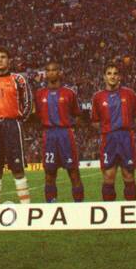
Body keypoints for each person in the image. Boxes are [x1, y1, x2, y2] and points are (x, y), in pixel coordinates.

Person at [0, 47, 32, 204]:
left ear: (9, 60)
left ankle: (27, 208)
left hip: (13, 126)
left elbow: (28, 103)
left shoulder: (19, 80)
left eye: (3, 57)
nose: (1, 60)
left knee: (17, 169)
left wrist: (17, 119)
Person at [91, 63, 136, 201]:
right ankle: (110, 213)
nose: (112, 76)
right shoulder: (98, 97)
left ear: (119, 77)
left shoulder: (129, 94)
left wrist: (129, 126)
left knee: (128, 175)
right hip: (108, 139)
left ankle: (132, 210)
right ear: (104, 77)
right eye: (109, 73)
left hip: (126, 138)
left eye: (115, 73)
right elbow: (95, 121)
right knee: (108, 176)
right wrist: (107, 130)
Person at [35, 59, 84, 202]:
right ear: (45, 74)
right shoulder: (39, 94)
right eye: (48, 70)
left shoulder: (69, 93)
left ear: (59, 72)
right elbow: (38, 115)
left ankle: (79, 206)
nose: (51, 73)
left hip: (65, 135)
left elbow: (77, 115)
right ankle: (51, 205)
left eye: (53, 70)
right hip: (49, 135)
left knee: (74, 172)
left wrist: (71, 128)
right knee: (49, 174)